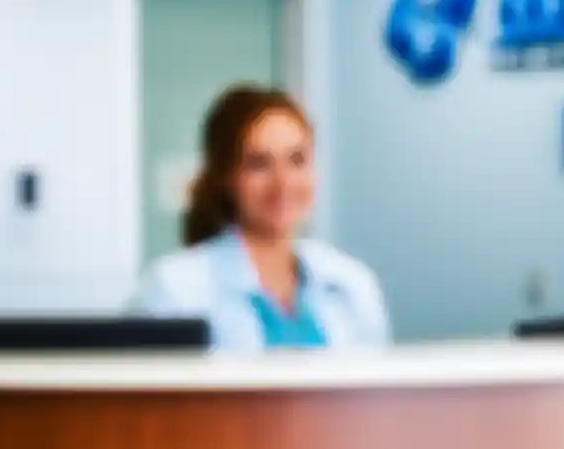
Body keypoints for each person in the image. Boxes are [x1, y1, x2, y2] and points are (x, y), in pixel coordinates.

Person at [131, 85, 391, 351]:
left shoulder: (352, 283)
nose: (283, 182)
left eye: (297, 160)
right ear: (226, 177)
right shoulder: (174, 290)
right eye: (259, 163)